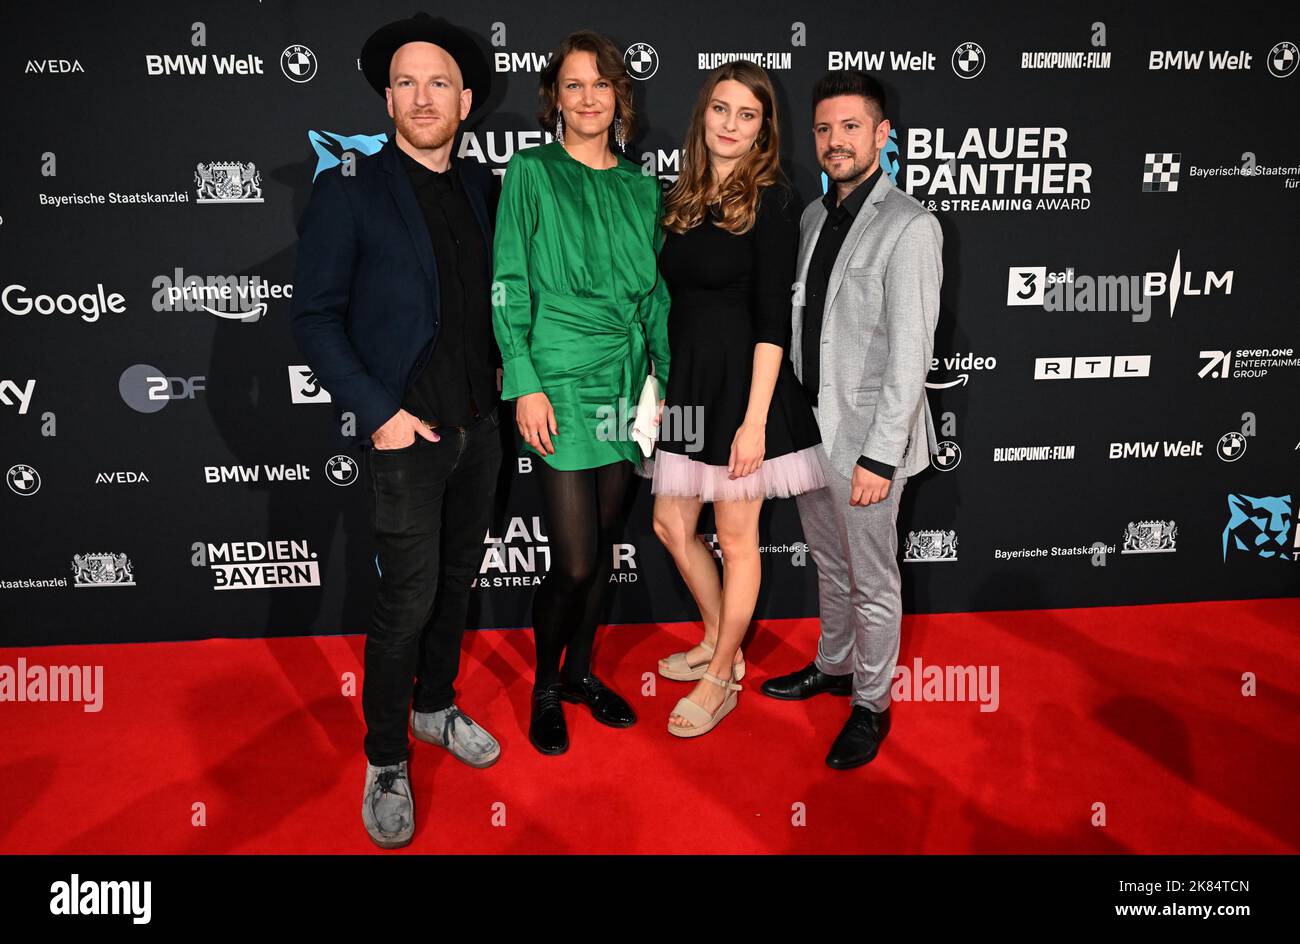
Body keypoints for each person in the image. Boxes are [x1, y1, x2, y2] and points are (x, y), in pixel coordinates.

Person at [290, 13, 502, 849]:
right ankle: (385, 757)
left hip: (480, 431)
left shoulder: (486, 190)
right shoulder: (349, 189)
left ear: (466, 99)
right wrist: (378, 414)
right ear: (387, 97)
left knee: (455, 587)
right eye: (407, 83)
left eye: (439, 82)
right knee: (404, 601)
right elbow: (314, 319)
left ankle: (434, 708)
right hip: (404, 437)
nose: (423, 96)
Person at [492, 30, 671, 755]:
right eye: (574, 85)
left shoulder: (642, 186)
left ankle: (582, 674)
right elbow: (508, 281)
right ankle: (543, 684)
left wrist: (662, 375)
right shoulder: (529, 172)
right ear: (554, 100)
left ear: (619, 96)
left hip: (627, 380)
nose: (589, 98)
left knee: (601, 546)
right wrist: (524, 379)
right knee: (571, 558)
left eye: (602, 84)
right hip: (559, 373)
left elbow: (655, 291)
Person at [761, 71, 943, 769]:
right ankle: (833, 666)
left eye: (850, 127)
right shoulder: (812, 216)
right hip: (809, 430)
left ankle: (871, 703)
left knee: (872, 580)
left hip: (866, 441)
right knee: (830, 566)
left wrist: (881, 456)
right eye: (825, 129)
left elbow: (909, 356)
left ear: (881, 135)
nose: (836, 142)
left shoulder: (911, 226)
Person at [650, 62, 825, 738]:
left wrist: (754, 424)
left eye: (746, 115)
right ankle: (719, 636)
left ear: (763, 130)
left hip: (746, 387)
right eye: (720, 109)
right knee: (670, 523)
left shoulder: (773, 197)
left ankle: (721, 673)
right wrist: (664, 386)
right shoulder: (682, 194)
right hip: (690, 383)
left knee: (737, 536)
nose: (730, 124)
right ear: (704, 116)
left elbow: (773, 319)